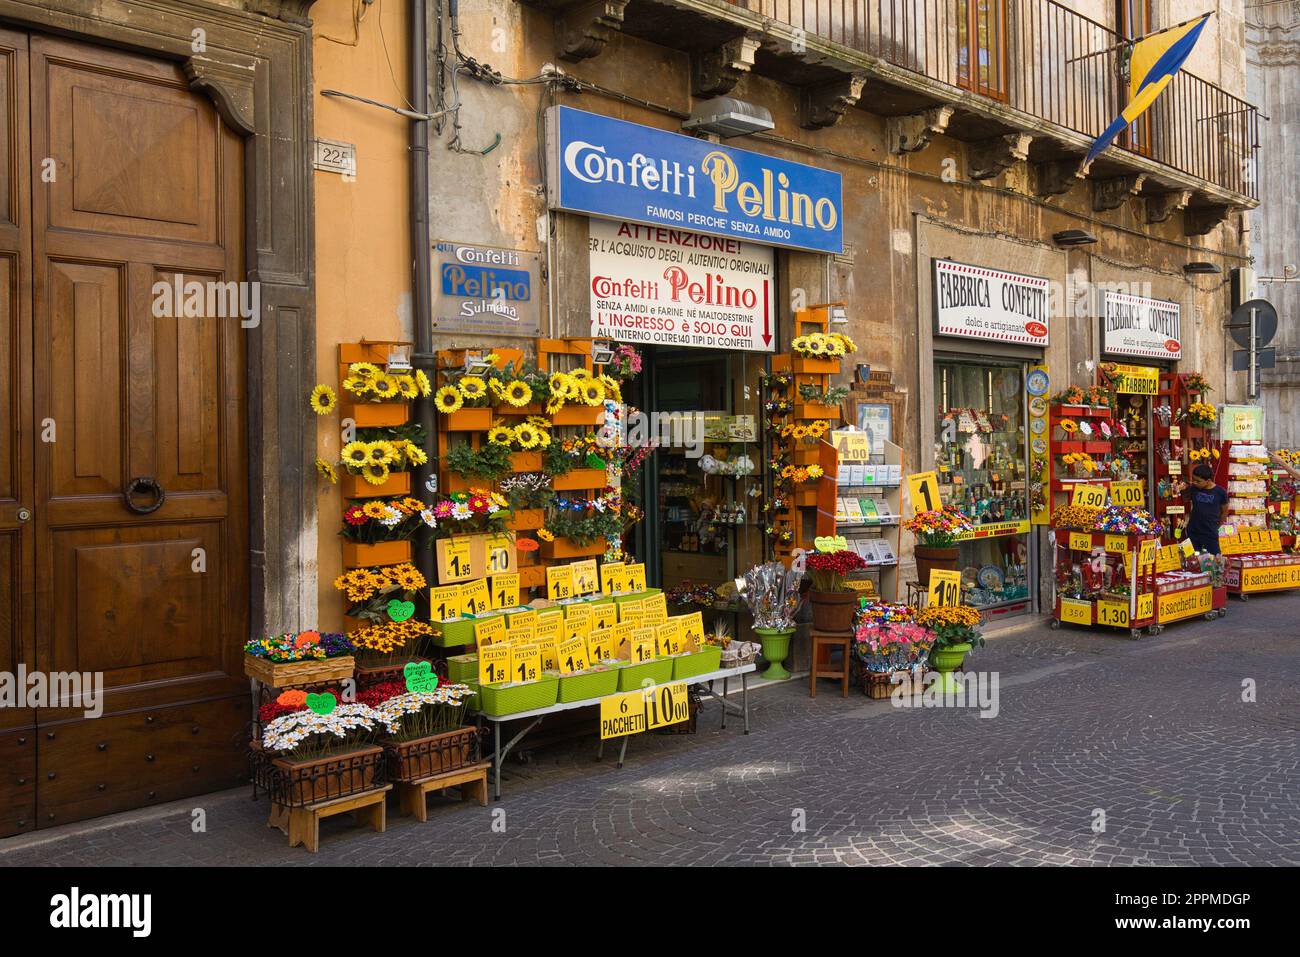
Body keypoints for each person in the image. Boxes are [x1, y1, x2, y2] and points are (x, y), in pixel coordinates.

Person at [1185, 463, 1229, 554]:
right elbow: (1185, 500)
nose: (1194, 483)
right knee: (1193, 558)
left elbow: (1224, 512)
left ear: (1208, 481)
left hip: (1210, 531)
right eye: (1193, 480)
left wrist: (1217, 526)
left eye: (1198, 481)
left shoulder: (1220, 492)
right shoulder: (1193, 489)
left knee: (1215, 557)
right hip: (1193, 530)